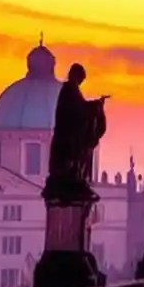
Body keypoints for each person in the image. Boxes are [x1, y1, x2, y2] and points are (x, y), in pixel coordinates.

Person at [49, 63, 108, 197]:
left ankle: (76, 176)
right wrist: (95, 106)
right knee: (71, 162)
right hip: (68, 137)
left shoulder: (71, 90)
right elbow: (77, 110)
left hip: (70, 137)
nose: (80, 82)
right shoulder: (69, 90)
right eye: (80, 78)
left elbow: (80, 108)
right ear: (75, 75)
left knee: (75, 163)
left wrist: (95, 104)